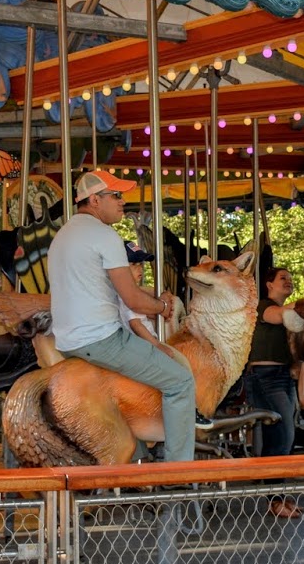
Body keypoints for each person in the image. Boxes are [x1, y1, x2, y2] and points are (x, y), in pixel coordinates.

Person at [48, 170, 197, 462]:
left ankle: (139, 459)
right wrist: (163, 308)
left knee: (128, 395)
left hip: (67, 341)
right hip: (101, 339)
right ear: (93, 200)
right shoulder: (103, 235)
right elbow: (132, 299)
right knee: (180, 380)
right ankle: (180, 470)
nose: (122, 202)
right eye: (115, 196)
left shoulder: (63, 235)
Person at [245, 266, 304, 517]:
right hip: (264, 377)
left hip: (281, 375)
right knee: (283, 435)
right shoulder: (263, 307)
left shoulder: (286, 314)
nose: (289, 282)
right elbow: (277, 315)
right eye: (283, 278)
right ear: (269, 284)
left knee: (283, 437)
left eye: (291, 279)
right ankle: (274, 500)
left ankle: (279, 497)